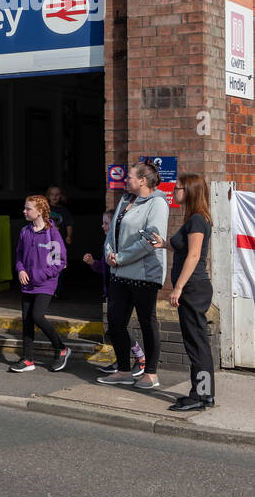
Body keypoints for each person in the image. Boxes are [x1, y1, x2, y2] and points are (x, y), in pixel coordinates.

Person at [98, 162, 170, 389]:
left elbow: (151, 239)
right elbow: (112, 233)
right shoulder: (125, 200)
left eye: (129, 177)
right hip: (119, 271)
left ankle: (150, 373)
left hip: (145, 274)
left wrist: (121, 257)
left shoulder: (157, 203)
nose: (125, 180)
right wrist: (110, 253)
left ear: (142, 181)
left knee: (147, 322)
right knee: (116, 322)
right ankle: (123, 370)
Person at [149, 173, 215, 411]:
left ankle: (200, 396)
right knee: (197, 342)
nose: (174, 191)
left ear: (189, 191)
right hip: (194, 288)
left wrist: (177, 288)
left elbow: (195, 255)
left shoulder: (197, 220)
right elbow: (185, 247)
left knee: (196, 343)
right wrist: (164, 244)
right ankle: (203, 393)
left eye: (178, 188)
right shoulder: (195, 219)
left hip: (193, 288)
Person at [11, 194, 70, 372]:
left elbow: (60, 262)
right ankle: (28, 359)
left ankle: (61, 348)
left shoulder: (52, 233)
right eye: (25, 208)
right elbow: (19, 256)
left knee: (37, 316)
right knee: (27, 320)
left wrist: (39, 275)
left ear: (40, 211)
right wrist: (20, 269)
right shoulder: (25, 232)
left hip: (45, 283)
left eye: (28, 208)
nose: (24, 211)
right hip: (27, 283)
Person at [83, 212, 146, 375]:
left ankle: (141, 359)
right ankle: (121, 360)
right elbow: (104, 268)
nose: (102, 226)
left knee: (118, 328)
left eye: (106, 223)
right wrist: (93, 263)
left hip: (125, 291)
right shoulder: (108, 242)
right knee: (115, 329)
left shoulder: (121, 243)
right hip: (112, 291)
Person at [46, 185, 74, 298]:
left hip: (59, 243)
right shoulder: (45, 209)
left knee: (59, 265)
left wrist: (69, 236)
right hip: (46, 242)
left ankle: (57, 290)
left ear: (61, 196)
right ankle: (46, 288)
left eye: (57, 194)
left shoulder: (64, 211)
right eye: (52, 194)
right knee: (46, 264)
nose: (55, 196)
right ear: (48, 196)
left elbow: (69, 225)